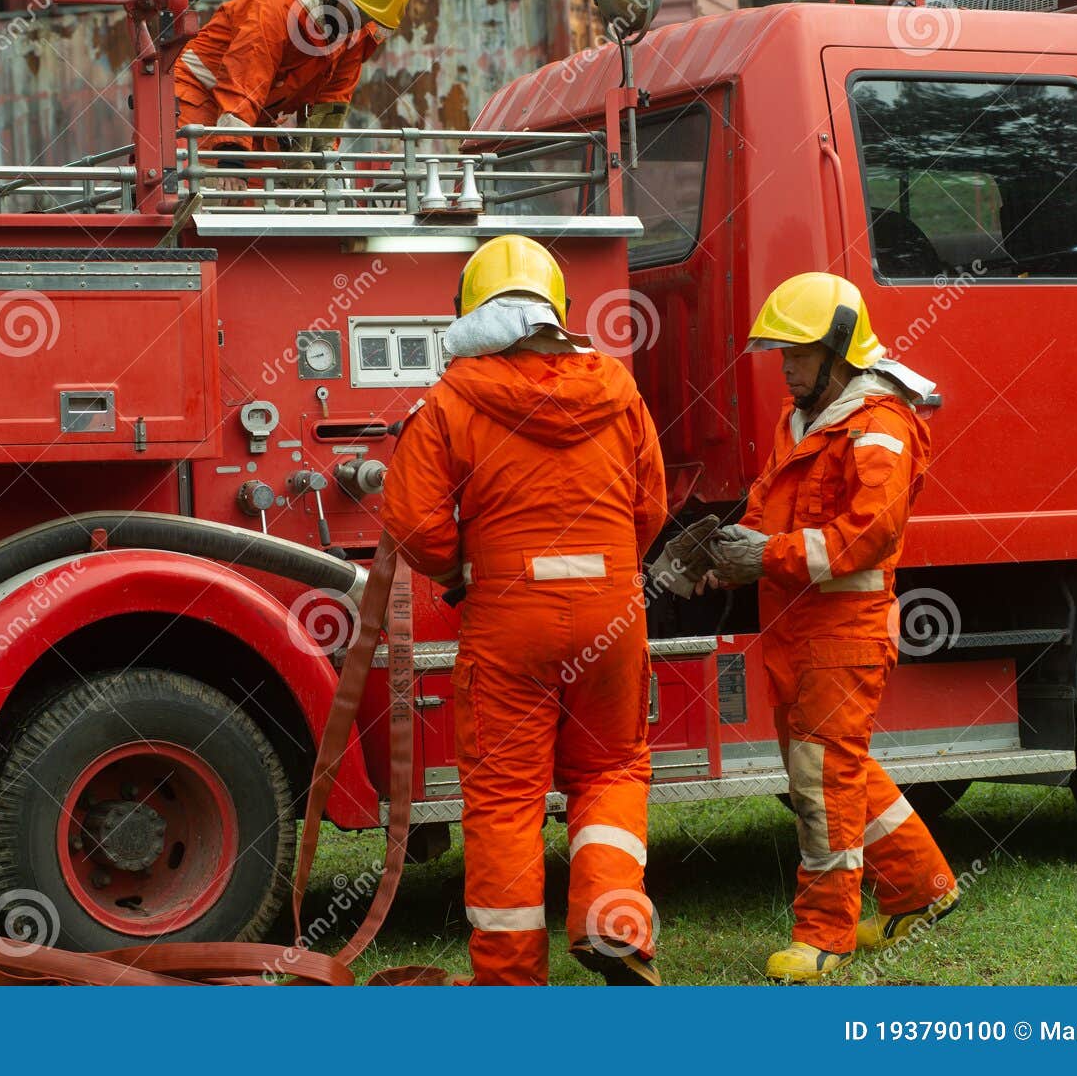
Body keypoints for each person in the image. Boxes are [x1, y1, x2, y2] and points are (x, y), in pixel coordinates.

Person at [381, 235, 668, 986]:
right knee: (610, 768)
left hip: (509, 619)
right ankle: (614, 918)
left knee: (506, 796)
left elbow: (415, 525)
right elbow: (651, 508)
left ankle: (511, 985)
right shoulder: (617, 389)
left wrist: (459, 570)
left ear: (471, 312)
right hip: (611, 610)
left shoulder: (449, 401)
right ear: (558, 311)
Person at [695, 271, 958, 983]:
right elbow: (770, 504)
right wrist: (730, 552)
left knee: (820, 783)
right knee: (840, 770)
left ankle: (825, 936)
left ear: (839, 352)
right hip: (797, 631)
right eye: (782, 354)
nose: (786, 369)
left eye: (798, 354)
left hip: (841, 633)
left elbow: (868, 534)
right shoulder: (806, 416)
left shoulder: (880, 425)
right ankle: (926, 891)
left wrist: (767, 556)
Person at [173, 0, 414, 193]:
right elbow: (245, 78)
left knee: (262, 207)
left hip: (253, 116)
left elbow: (331, 101)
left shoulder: (353, 31)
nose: (360, 23)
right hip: (198, 100)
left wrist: (322, 164)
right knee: (202, 197)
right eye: (358, 11)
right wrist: (232, 156)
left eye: (368, 17)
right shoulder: (274, 5)